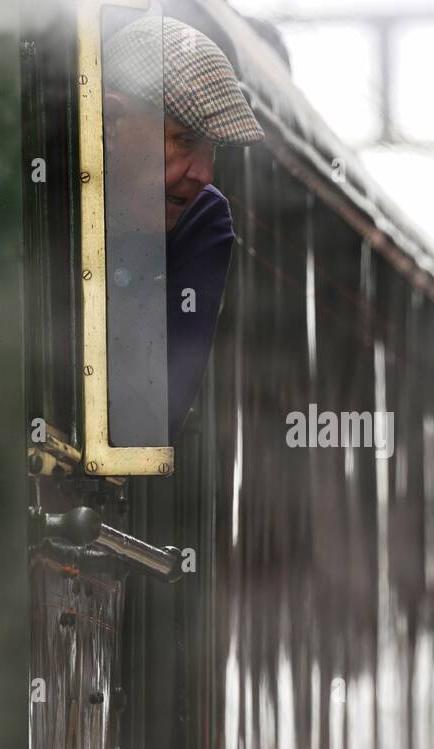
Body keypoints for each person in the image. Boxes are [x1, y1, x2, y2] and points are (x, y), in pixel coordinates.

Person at [101, 17, 264, 442]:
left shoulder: (201, 221)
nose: (205, 174)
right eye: (186, 141)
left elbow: (149, 417)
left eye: (214, 151)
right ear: (110, 122)